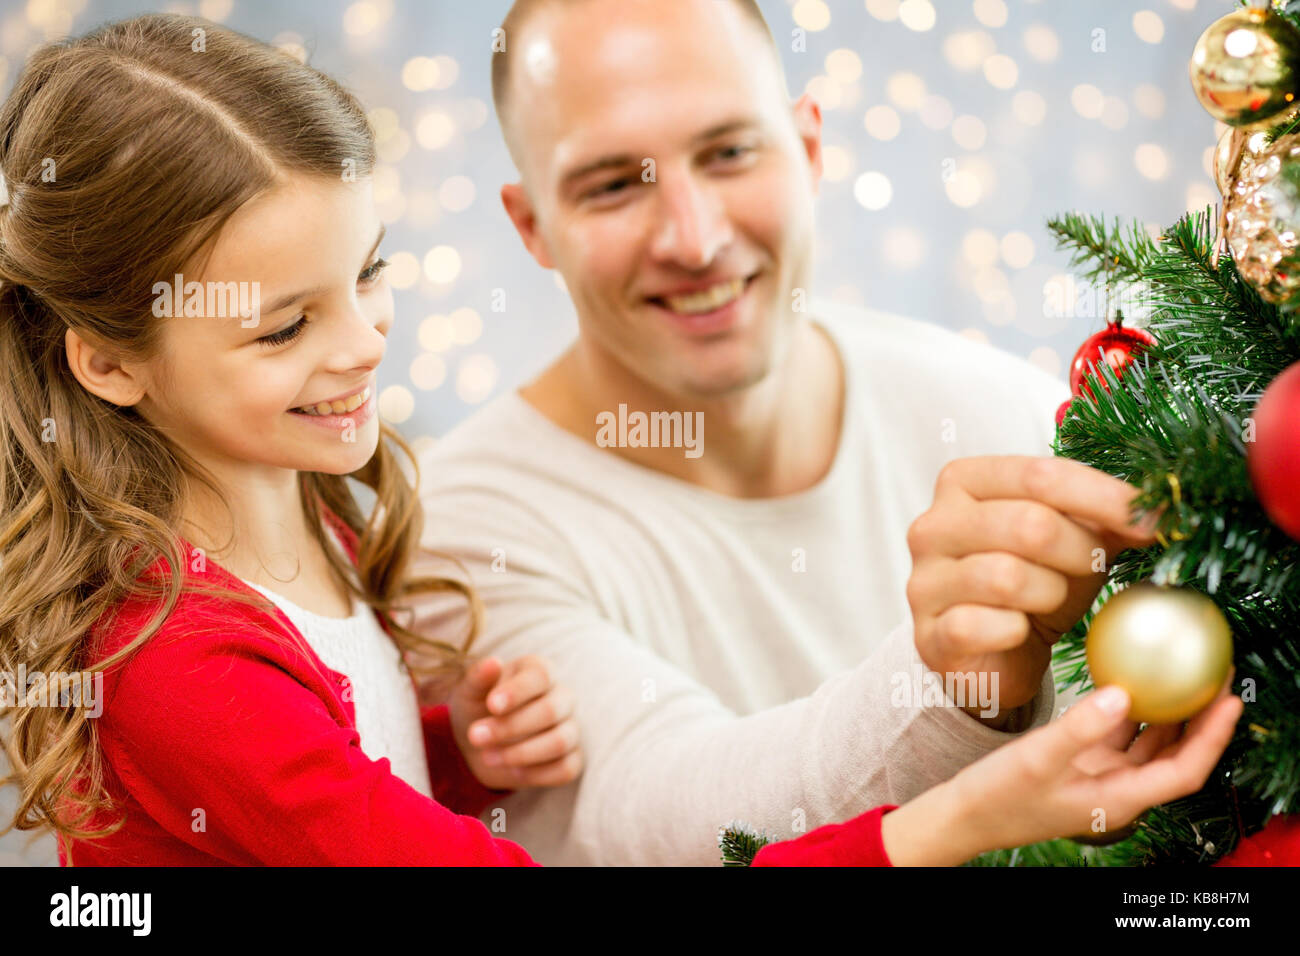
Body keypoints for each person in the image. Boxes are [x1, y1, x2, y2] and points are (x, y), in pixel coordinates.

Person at [406, 0, 1223, 865]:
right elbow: (678, 829)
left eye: (728, 153)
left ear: (808, 151)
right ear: (532, 225)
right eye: (612, 185)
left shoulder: (1000, 416)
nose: (695, 238)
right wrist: (953, 686)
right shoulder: (465, 529)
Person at [0, 13, 581, 866]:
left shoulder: (297, 504)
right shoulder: (180, 663)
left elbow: (323, 805)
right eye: (283, 330)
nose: (365, 344)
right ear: (114, 364)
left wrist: (455, 754)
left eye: (368, 273)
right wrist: (848, 849)